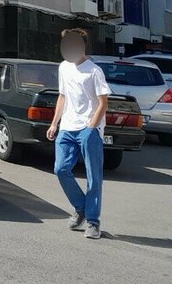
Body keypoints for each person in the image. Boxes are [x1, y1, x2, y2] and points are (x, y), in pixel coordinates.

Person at [47, 27, 111, 240]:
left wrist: (92, 127)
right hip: (67, 127)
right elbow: (62, 96)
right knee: (60, 169)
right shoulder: (64, 67)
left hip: (88, 129)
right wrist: (54, 124)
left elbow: (103, 103)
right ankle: (81, 207)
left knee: (94, 177)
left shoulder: (94, 71)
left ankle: (93, 222)